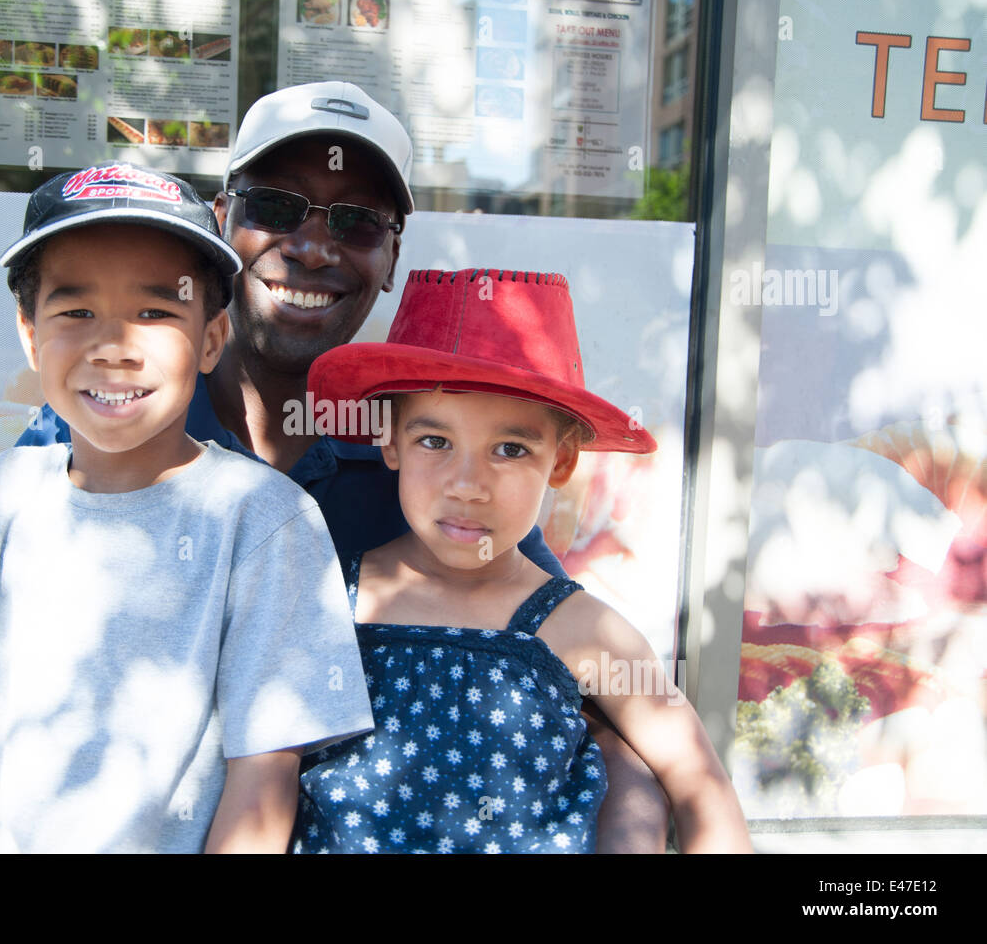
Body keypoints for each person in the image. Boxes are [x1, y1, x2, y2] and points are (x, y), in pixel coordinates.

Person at [0, 81, 668, 852]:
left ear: (391, 256)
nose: (312, 246)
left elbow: (557, 657)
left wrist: (629, 813)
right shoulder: (103, 421)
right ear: (222, 219)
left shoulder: (427, 464)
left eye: (358, 223)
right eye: (276, 207)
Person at [0, 164, 373, 852]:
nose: (114, 347)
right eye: (76, 311)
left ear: (211, 339)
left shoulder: (267, 520)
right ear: (30, 334)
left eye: (155, 311)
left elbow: (262, 788)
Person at [293, 269, 753, 853]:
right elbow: (262, 775)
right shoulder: (328, 598)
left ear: (560, 465)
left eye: (510, 450)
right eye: (434, 442)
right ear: (389, 440)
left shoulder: (584, 631)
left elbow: (698, 784)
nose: (467, 485)